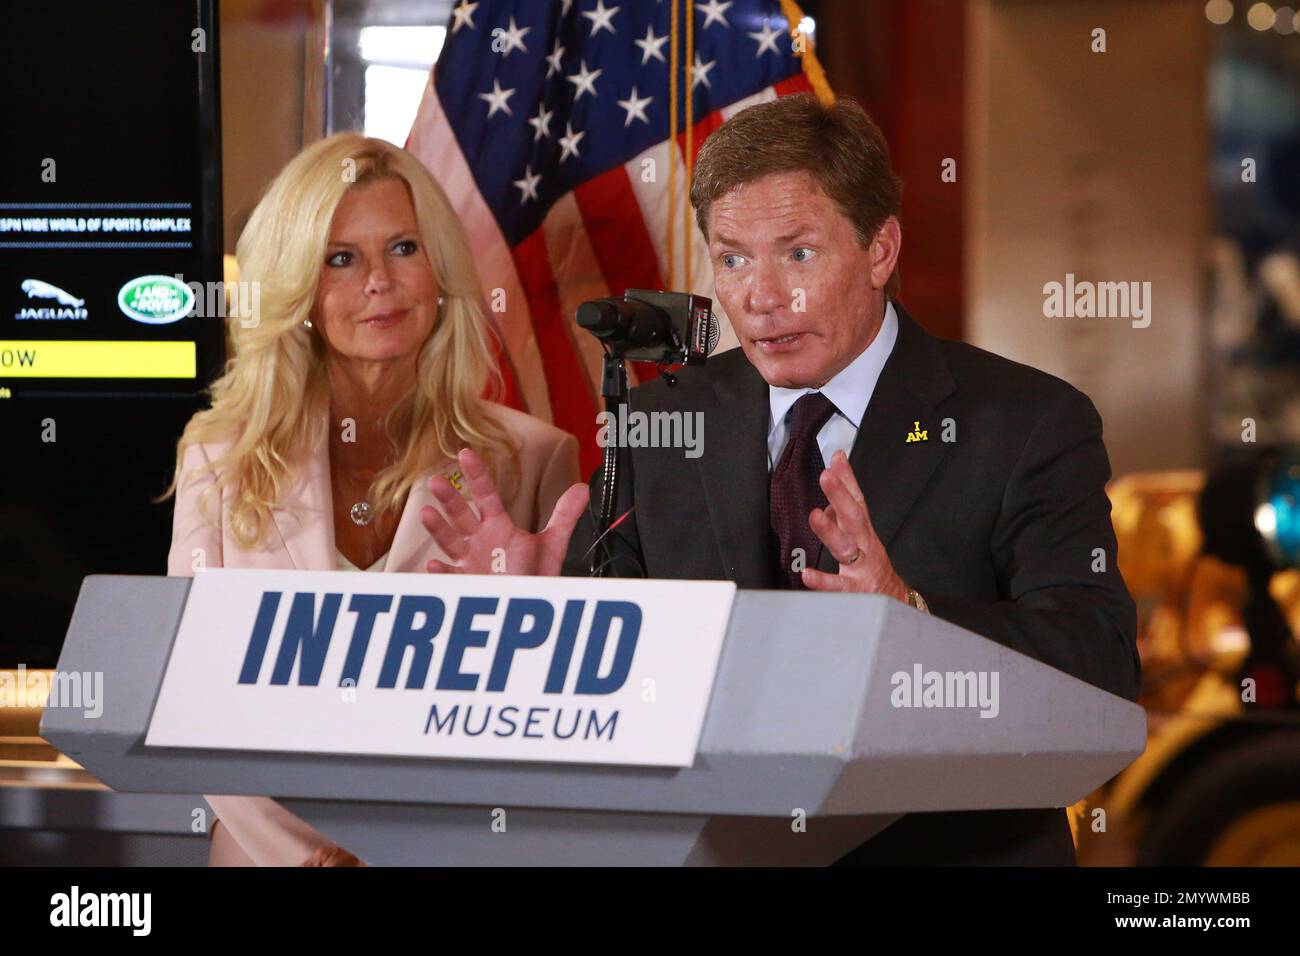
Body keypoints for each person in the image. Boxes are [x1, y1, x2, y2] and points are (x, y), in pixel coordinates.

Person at [419, 93, 1142, 866]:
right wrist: (545, 616)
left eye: (797, 253)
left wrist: (911, 617)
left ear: (880, 251)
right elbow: (619, 676)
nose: (761, 299)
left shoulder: (1026, 421)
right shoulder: (664, 420)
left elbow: (1098, 661)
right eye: (732, 258)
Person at [162, 132, 583, 866]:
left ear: (440, 269)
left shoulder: (536, 459)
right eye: (340, 259)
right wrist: (318, 854)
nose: (379, 282)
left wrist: (392, 851)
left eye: (404, 248)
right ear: (297, 284)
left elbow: (549, 719)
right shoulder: (218, 461)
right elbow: (192, 700)